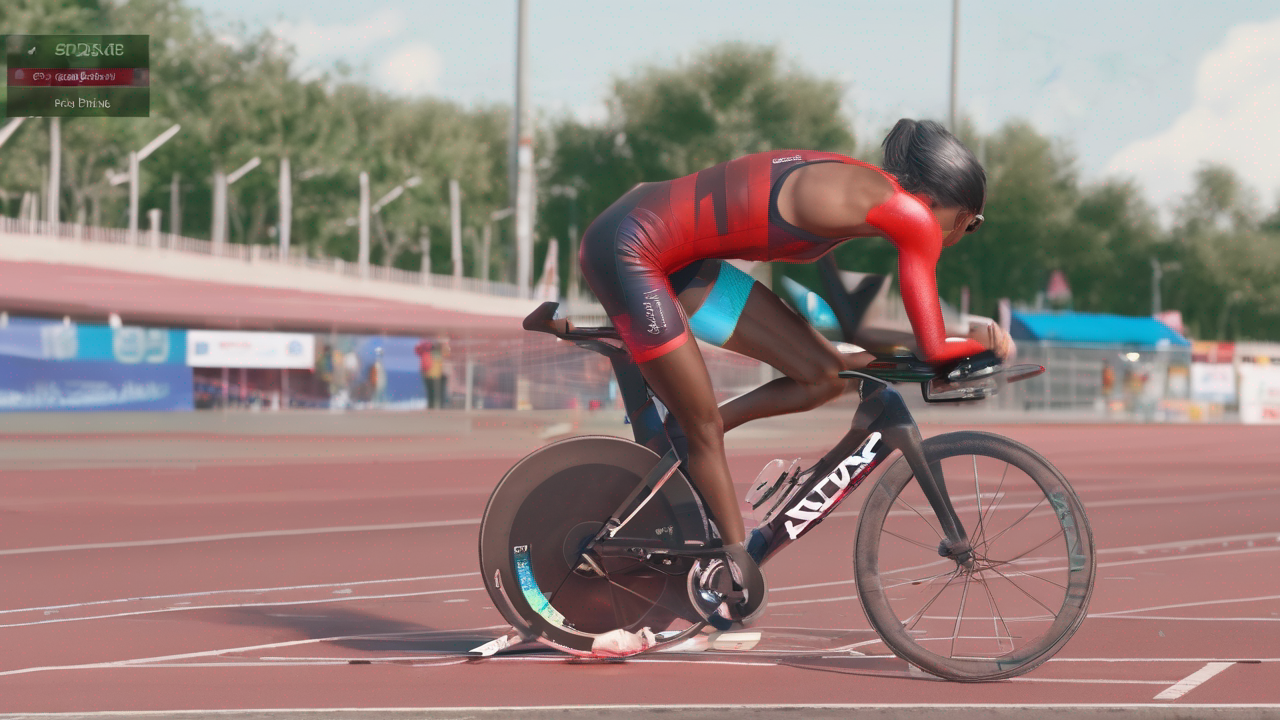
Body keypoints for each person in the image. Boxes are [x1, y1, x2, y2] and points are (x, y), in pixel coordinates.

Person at [577, 119, 1012, 628]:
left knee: (823, 374)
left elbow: (866, 331)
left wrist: (912, 354)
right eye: (972, 223)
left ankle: (688, 436)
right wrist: (978, 343)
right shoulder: (911, 217)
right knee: (707, 428)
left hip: (676, 259)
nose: (964, 235)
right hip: (631, 249)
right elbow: (935, 345)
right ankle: (731, 570)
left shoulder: (868, 194)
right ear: (950, 206)